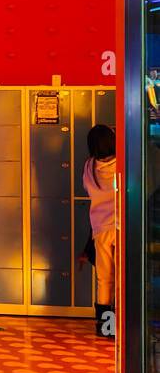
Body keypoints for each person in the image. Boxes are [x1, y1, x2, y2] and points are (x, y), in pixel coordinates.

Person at [83, 124, 118, 338]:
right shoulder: (122, 163)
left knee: (105, 279)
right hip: (121, 226)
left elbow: (87, 189)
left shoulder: (89, 167)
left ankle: (106, 327)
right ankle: (124, 323)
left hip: (100, 228)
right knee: (124, 277)